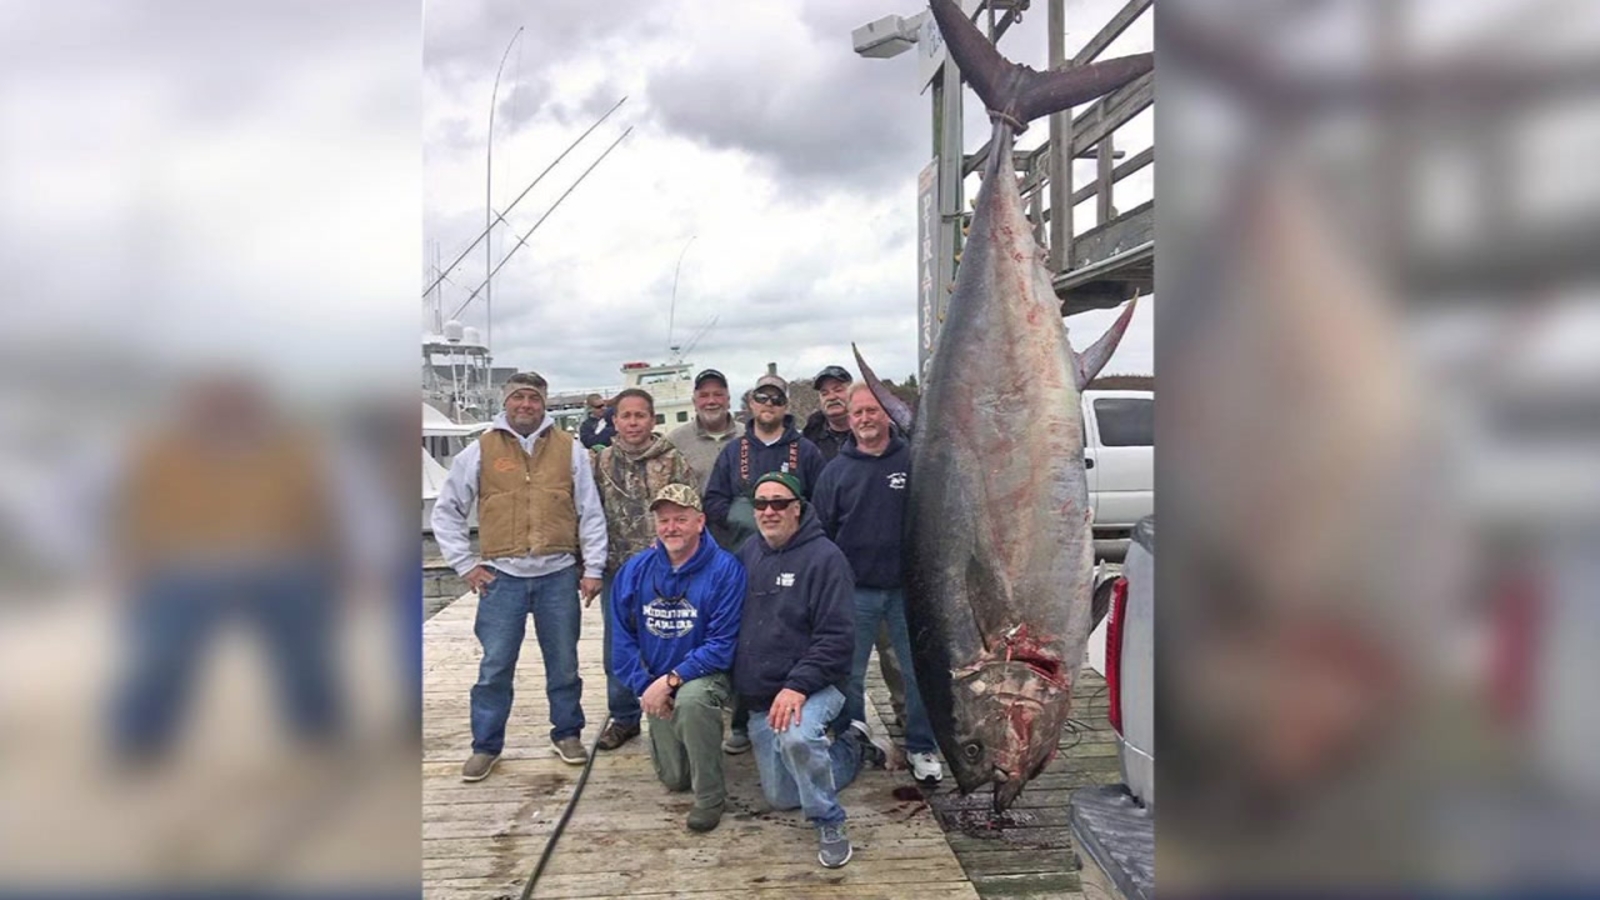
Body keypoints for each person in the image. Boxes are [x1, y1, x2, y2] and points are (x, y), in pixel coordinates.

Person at [432, 372, 608, 781]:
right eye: (518, 398)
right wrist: (465, 564)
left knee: (563, 663)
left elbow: (590, 512)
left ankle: (567, 732)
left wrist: (594, 568)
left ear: (544, 404)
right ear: (506, 402)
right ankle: (486, 745)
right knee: (495, 666)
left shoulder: (571, 449)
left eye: (533, 398)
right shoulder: (479, 450)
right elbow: (447, 511)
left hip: (559, 575)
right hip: (501, 578)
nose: (526, 405)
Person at [734, 472, 886, 869]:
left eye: (779, 503)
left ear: (797, 508)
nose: (769, 511)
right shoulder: (749, 551)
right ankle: (852, 745)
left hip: (815, 686)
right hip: (762, 694)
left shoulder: (826, 559)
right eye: (761, 503)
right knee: (782, 796)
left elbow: (837, 640)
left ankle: (830, 821)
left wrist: (797, 687)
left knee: (796, 738)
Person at [812, 383, 944, 784]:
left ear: (887, 413)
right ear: (849, 419)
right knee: (847, 673)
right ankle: (854, 735)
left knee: (916, 672)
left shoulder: (915, 461)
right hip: (855, 592)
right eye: (858, 413)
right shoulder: (835, 471)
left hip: (909, 592)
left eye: (872, 410)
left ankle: (922, 746)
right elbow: (821, 534)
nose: (866, 419)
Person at [610, 484, 745, 832]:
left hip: (707, 674)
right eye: (664, 520)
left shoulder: (726, 569)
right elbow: (620, 641)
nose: (671, 527)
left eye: (681, 519)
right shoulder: (635, 570)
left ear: (700, 522)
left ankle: (710, 798)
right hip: (654, 678)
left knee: (693, 701)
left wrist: (672, 681)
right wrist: (646, 687)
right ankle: (689, 754)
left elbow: (722, 644)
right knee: (674, 778)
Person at [704, 373, 826, 754]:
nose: (769, 404)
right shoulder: (733, 451)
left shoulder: (805, 451)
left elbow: (822, 501)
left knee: (797, 634)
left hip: (797, 558)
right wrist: (748, 519)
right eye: (762, 397)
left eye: (776, 398)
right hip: (747, 560)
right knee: (747, 638)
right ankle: (742, 720)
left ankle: (807, 715)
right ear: (751, 403)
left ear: (785, 405)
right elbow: (713, 502)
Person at [590, 388, 697, 752]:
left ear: (652, 420)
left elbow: (690, 512)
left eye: (640, 415)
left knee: (672, 642)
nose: (633, 422)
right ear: (614, 421)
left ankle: (677, 709)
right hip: (617, 571)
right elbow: (588, 515)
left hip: (667, 573)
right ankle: (623, 718)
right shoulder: (600, 462)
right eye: (626, 416)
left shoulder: (672, 459)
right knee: (617, 648)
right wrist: (585, 563)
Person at [665, 369, 744, 549]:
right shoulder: (673, 442)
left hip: (743, 537)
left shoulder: (748, 436)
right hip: (697, 542)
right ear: (694, 402)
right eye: (704, 395)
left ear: (728, 400)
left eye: (718, 394)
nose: (711, 401)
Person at [802, 365, 855, 462]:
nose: (831, 397)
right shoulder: (808, 440)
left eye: (838, 390)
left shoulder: (870, 433)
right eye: (824, 393)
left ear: (852, 393)